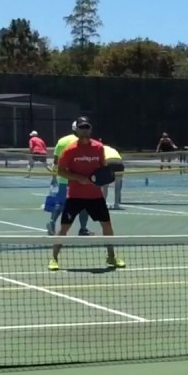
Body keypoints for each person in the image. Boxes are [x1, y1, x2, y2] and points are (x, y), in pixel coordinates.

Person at [49, 117, 123, 272]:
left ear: (90, 130)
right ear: (76, 130)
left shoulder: (98, 147)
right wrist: (78, 178)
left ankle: (111, 256)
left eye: (87, 128)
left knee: (107, 225)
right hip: (75, 196)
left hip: (95, 196)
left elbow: (102, 168)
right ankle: (54, 258)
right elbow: (61, 170)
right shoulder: (69, 150)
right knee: (64, 228)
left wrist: (102, 178)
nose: (84, 130)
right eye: (81, 128)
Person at [47, 120, 91, 236]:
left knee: (60, 204)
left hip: (63, 179)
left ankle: (52, 222)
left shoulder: (62, 141)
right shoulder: (83, 142)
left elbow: (55, 162)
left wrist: (54, 176)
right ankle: (83, 228)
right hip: (79, 180)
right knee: (84, 205)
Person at [103, 142, 123, 208]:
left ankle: (103, 203)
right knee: (117, 185)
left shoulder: (100, 148)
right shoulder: (113, 149)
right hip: (119, 163)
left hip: (108, 161)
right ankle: (116, 204)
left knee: (105, 185)